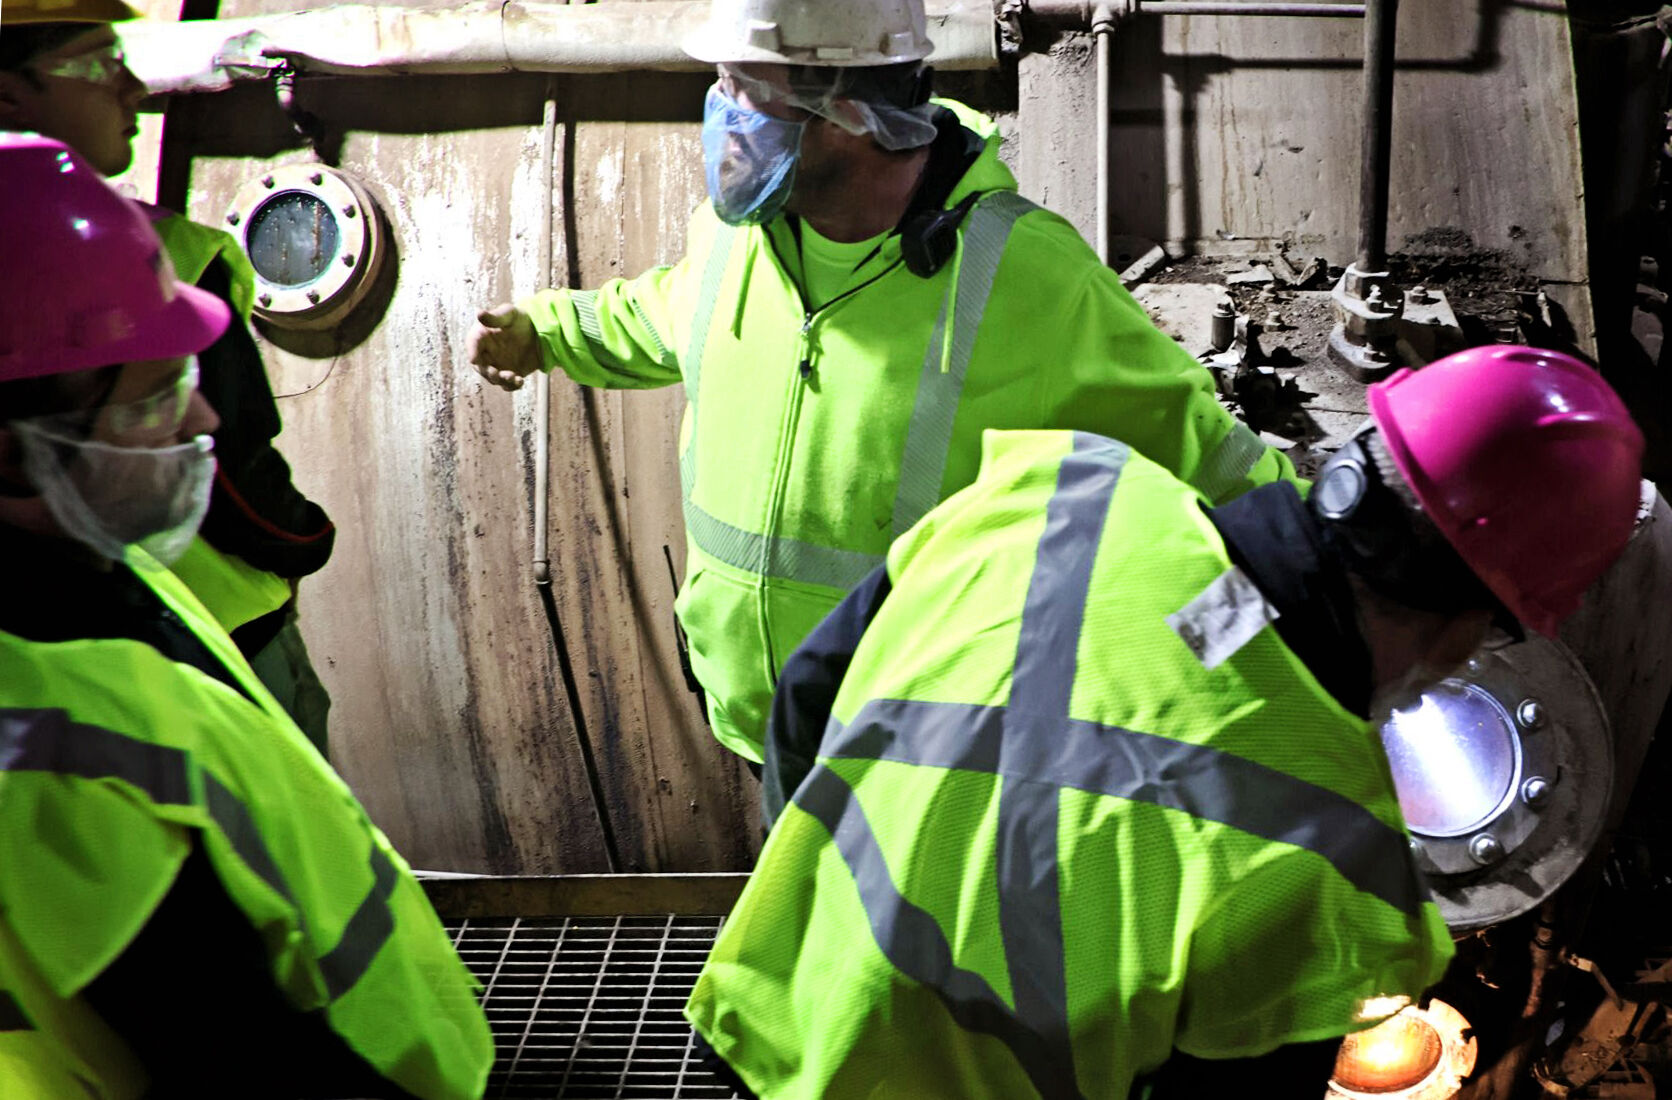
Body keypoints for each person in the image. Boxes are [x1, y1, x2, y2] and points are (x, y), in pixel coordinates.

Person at [683, 344, 1646, 1098]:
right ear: (1477, 625)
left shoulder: (1060, 492)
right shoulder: (1335, 863)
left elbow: (807, 691)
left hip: (770, 1018)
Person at [467, 0, 1301, 765]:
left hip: (930, 772)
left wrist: (1240, 637)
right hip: (765, 736)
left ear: (849, 114)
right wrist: (545, 331)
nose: (720, 113)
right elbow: (657, 315)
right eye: (720, 81)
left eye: (746, 89)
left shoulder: (1033, 281)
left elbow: (1225, 481)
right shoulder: (736, 239)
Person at [0, 134, 493, 1099]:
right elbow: (231, 1056)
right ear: (15, 453)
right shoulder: (44, 751)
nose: (203, 423)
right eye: (154, 400)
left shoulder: (94, 567)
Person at [0, 0, 338, 757]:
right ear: (8, 95)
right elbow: (238, 476)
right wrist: (307, 541)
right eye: (98, 63)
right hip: (210, 626)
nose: (133, 88)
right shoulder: (161, 256)